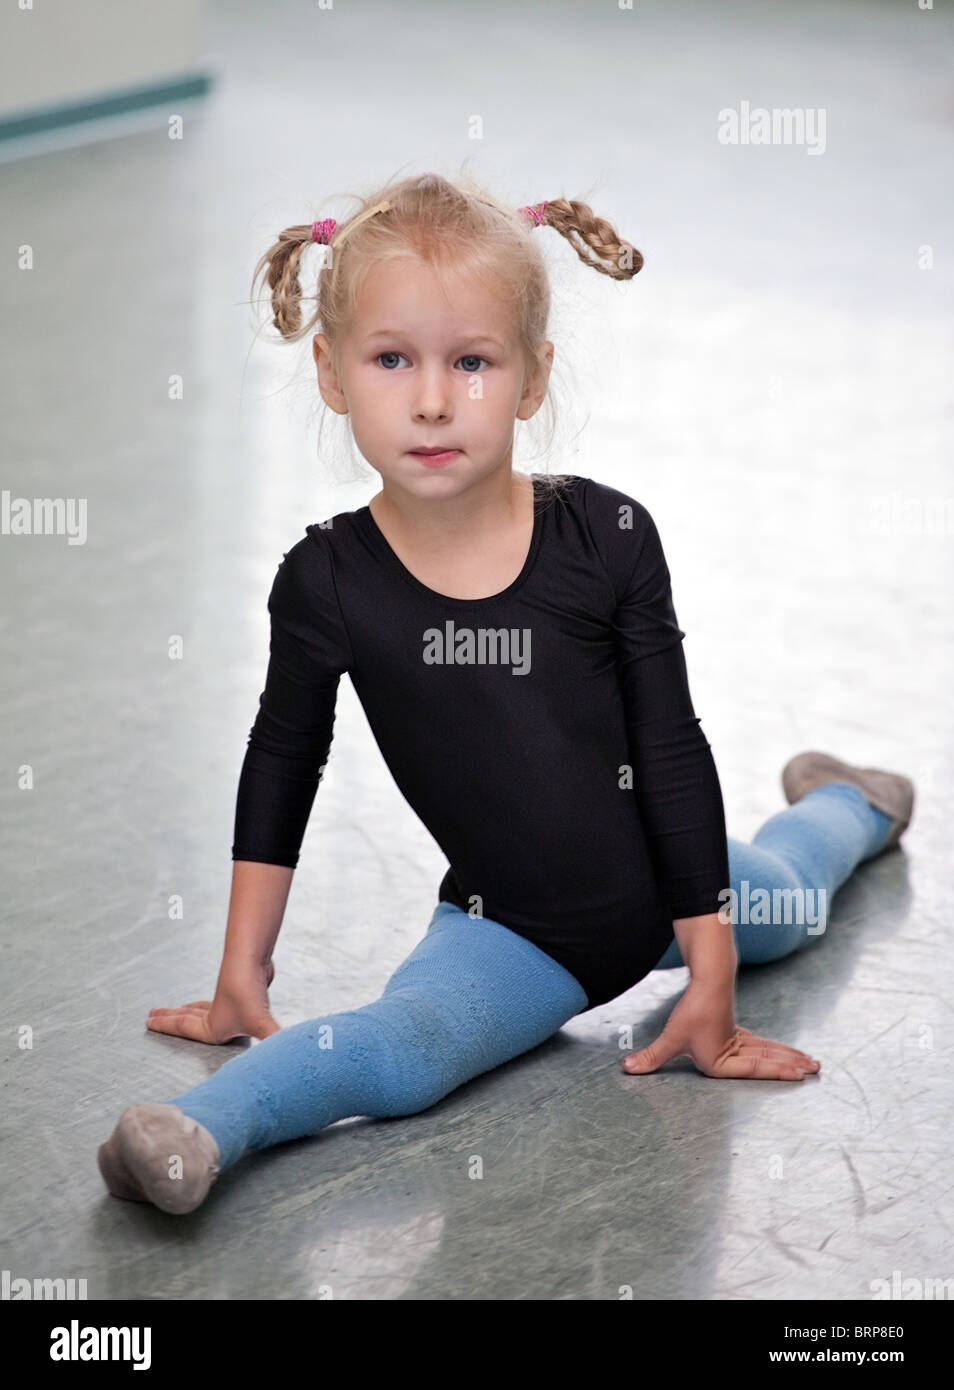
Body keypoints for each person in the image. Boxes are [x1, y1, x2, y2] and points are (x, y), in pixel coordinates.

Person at [97, 171, 914, 1215]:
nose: (433, 399)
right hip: (515, 930)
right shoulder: (326, 582)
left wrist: (708, 970)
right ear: (331, 372)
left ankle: (849, 802)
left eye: (473, 362)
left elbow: (667, 745)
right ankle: (201, 1132)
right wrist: (236, 977)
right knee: (405, 1055)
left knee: (793, 907)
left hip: (672, 882)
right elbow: (282, 761)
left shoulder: (608, 538)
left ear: (532, 377)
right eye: (392, 359)